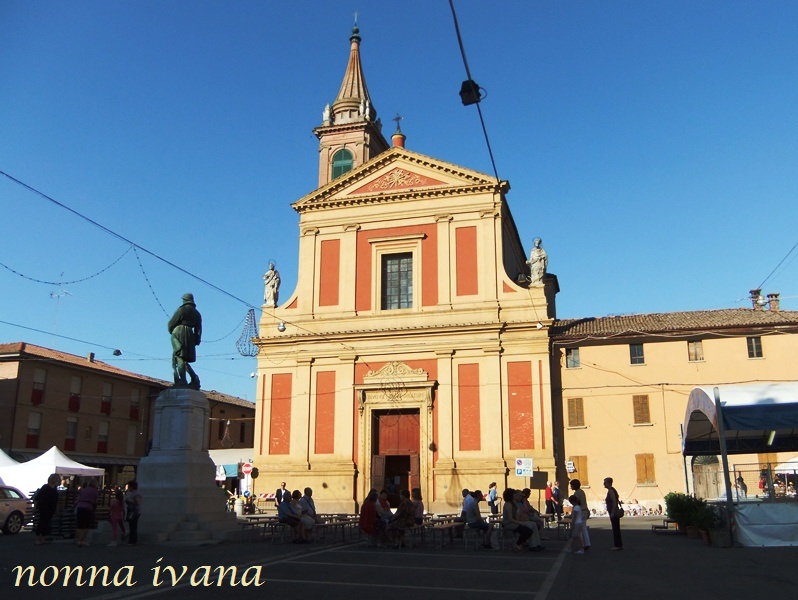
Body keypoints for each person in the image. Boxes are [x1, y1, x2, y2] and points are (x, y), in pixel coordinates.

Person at [168, 293, 202, 388]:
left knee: (179, 357)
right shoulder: (197, 313)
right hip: (190, 335)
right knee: (184, 359)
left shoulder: (182, 309)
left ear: (185, 300)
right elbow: (198, 329)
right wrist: (196, 339)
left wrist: (172, 330)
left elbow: (171, 323)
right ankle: (194, 378)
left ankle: (182, 381)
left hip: (179, 333)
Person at [33, 473, 61, 546]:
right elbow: (37, 498)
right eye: (57, 479)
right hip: (44, 507)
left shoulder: (55, 489)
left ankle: (43, 538)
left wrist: (57, 510)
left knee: (47, 523)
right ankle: (37, 538)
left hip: (51, 508)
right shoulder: (45, 487)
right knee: (42, 522)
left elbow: (56, 500)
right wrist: (35, 508)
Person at [569, 479, 591, 550]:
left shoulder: (576, 494)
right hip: (585, 510)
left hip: (580, 511)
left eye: (571, 485)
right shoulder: (582, 491)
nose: (570, 486)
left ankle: (582, 545)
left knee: (579, 530)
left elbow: (576, 504)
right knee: (584, 528)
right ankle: (587, 543)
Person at [604, 477, 623, 550]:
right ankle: (618, 544)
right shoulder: (612, 490)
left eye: (605, 482)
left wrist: (612, 512)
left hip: (613, 512)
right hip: (614, 511)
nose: (604, 484)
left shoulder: (611, 491)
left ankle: (617, 545)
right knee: (616, 528)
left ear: (609, 483)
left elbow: (614, 501)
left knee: (615, 528)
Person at [125, 480, 143, 546]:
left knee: (133, 526)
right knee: (132, 525)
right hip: (133, 511)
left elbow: (138, 502)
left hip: (135, 511)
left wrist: (129, 501)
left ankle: (133, 541)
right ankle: (132, 540)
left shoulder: (136, 493)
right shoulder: (133, 493)